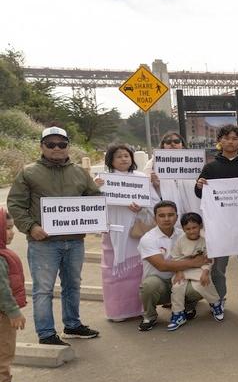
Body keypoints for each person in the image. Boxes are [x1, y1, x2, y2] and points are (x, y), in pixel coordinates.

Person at [7, 126, 101, 345]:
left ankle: (73, 325)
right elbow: (16, 204)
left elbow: (94, 199)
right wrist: (31, 227)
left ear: (68, 146)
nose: (57, 148)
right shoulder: (28, 172)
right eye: (51, 144)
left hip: (75, 241)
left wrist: (95, 219)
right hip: (43, 243)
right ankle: (46, 333)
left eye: (62, 144)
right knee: (43, 289)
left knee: (73, 285)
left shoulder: (79, 172)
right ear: (42, 147)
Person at [194, 124, 238, 310]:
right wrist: (200, 185)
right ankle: (220, 298)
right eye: (226, 138)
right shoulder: (210, 168)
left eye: (235, 138)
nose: (230, 142)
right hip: (221, 226)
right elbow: (200, 194)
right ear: (220, 141)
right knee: (218, 268)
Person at [93, 143, 156, 322]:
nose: (123, 159)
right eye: (119, 156)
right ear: (111, 160)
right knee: (113, 273)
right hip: (113, 232)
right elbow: (91, 204)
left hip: (135, 233)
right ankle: (117, 312)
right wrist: (95, 188)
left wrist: (141, 209)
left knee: (137, 272)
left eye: (126, 156)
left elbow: (152, 202)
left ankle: (138, 308)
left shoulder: (140, 178)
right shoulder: (103, 179)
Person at [137, 201, 206, 331]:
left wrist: (196, 263)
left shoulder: (185, 234)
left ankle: (188, 306)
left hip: (183, 278)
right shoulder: (148, 238)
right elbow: (162, 266)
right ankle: (149, 316)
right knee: (149, 285)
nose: (167, 219)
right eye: (162, 216)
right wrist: (193, 262)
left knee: (203, 282)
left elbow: (201, 257)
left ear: (177, 216)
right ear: (155, 218)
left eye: (170, 215)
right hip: (159, 283)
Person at [166, 213, 224, 331]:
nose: (192, 231)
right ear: (183, 229)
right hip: (183, 268)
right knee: (177, 286)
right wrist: (178, 271)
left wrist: (205, 272)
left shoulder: (205, 240)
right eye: (188, 229)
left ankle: (215, 304)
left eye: (194, 227)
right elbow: (175, 257)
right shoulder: (180, 241)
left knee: (202, 284)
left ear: (200, 226)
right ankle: (178, 314)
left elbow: (209, 259)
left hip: (200, 268)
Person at [1, 209, 29, 382]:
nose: (12, 233)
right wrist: (13, 312)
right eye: (7, 229)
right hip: (3, 314)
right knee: (3, 351)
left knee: (5, 350)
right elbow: (2, 289)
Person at [146, 131, 201, 220]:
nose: (172, 144)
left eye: (176, 141)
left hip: (191, 204)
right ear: (163, 145)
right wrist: (154, 184)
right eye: (168, 142)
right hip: (167, 206)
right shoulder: (152, 163)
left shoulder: (194, 160)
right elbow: (146, 189)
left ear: (182, 144)